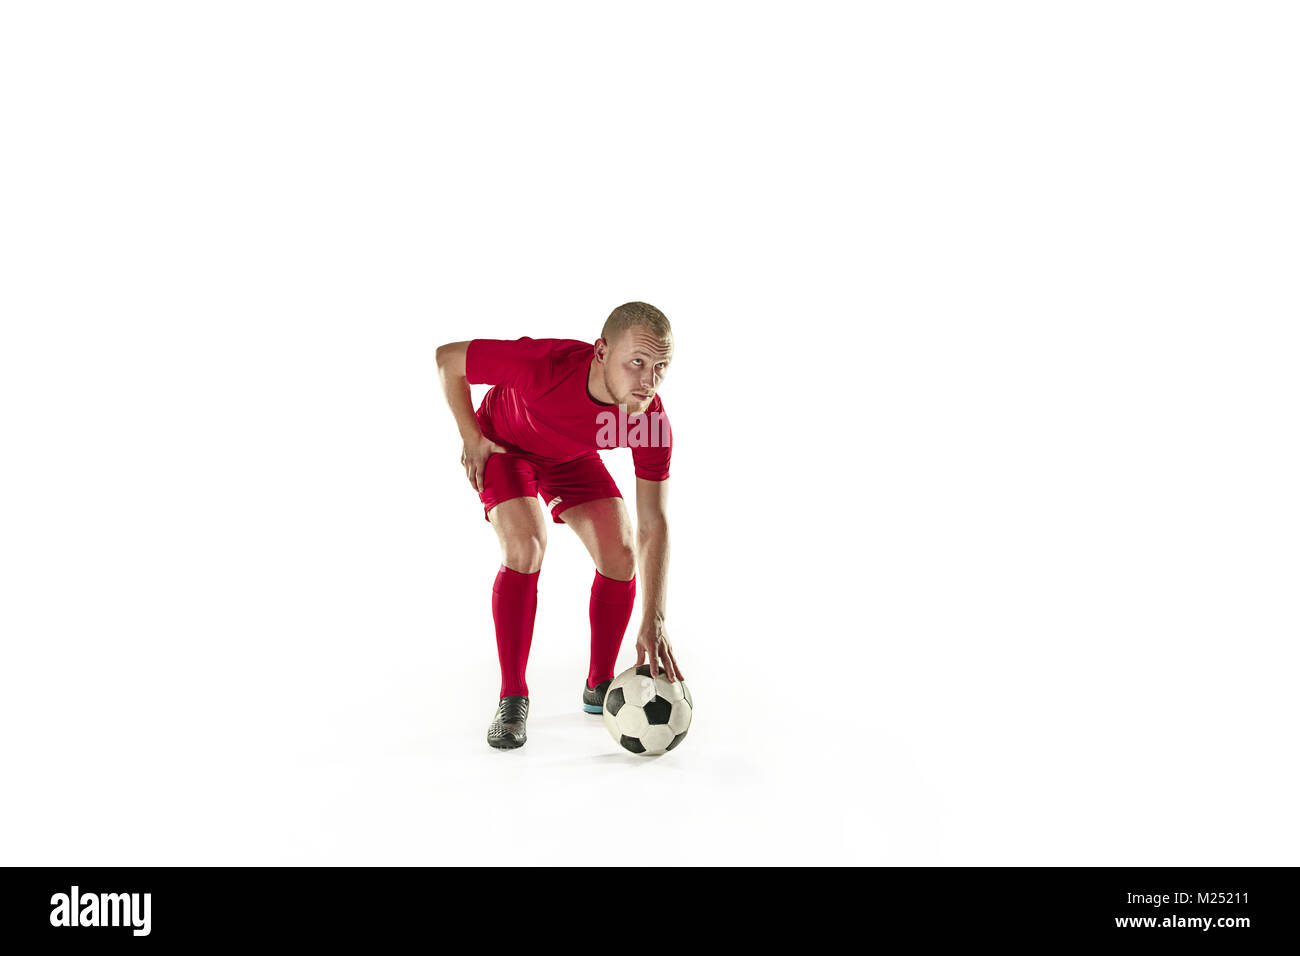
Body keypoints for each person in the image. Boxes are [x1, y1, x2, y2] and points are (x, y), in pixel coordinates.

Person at [435, 302, 685, 749]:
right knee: (526, 546)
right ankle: (513, 696)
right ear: (601, 352)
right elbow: (448, 358)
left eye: (660, 366)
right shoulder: (542, 367)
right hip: (507, 446)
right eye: (637, 362)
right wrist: (471, 437)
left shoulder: (646, 418)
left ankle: (601, 686)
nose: (648, 381)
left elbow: (653, 520)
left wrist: (655, 616)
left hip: (570, 458)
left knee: (621, 553)